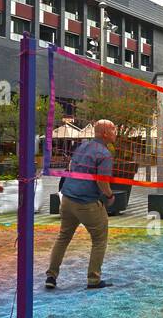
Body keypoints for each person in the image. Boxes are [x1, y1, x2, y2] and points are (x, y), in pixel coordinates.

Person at [45, 119, 116, 290]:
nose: (116, 132)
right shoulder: (104, 154)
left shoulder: (82, 146)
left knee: (63, 237)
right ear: (105, 133)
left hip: (67, 199)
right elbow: (102, 181)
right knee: (99, 239)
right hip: (86, 202)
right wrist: (110, 195)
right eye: (113, 129)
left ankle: (51, 277)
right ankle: (94, 279)